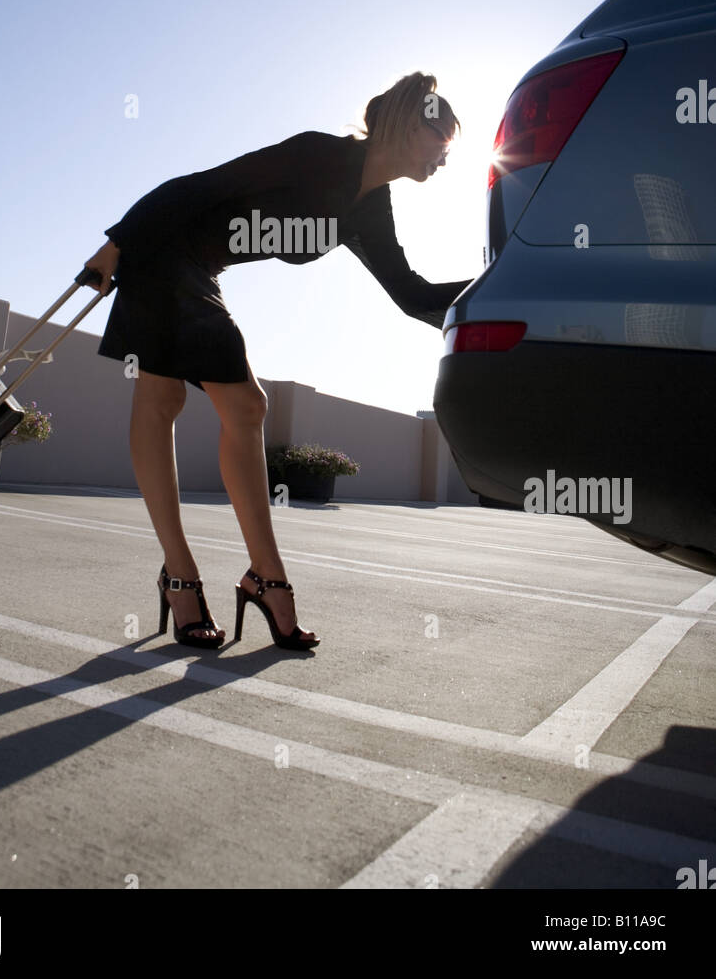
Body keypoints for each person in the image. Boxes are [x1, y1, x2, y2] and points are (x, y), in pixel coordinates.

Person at [84, 72, 473, 651]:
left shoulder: (370, 209)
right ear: (411, 123)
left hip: (200, 272)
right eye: (442, 141)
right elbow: (202, 186)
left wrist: (498, 290)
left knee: (201, 402)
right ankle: (213, 576)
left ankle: (237, 579)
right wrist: (117, 242)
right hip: (163, 251)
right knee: (224, 402)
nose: (445, 158)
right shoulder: (319, 154)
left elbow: (412, 295)